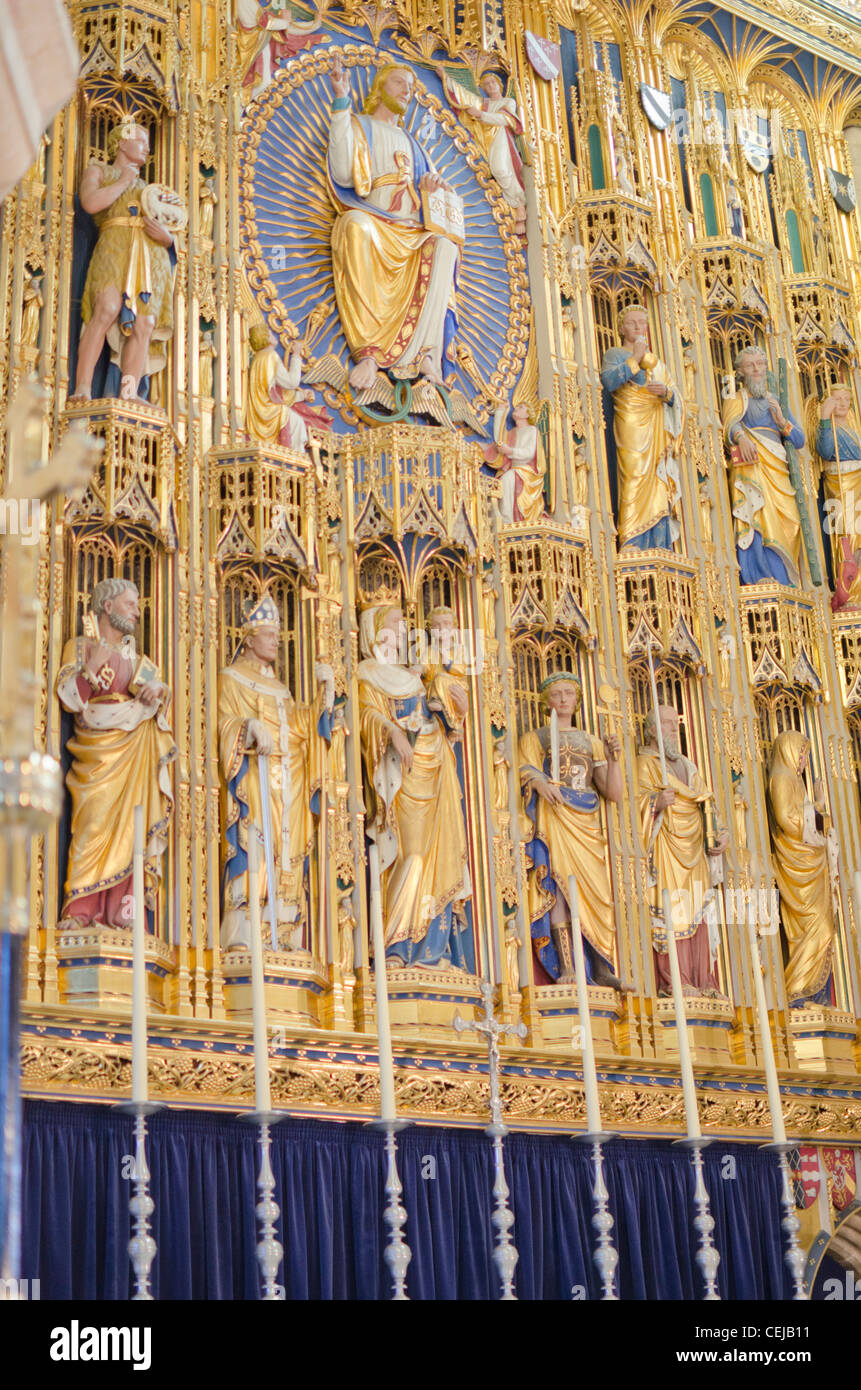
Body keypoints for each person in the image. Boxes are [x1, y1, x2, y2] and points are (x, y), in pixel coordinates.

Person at [327, 57, 460, 390]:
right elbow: (343, 172)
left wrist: (431, 189)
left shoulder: (415, 145)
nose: (407, 91)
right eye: (400, 82)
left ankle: (426, 355)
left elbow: (438, 199)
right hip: (373, 219)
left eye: (411, 87)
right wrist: (341, 103)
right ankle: (369, 352)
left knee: (443, 246)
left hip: (410, 230)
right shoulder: (361, 126)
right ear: (380, 88)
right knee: (354, 227)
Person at [357, 603, 472, 969]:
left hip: (436, 764)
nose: (403, 626)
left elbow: (449, 720)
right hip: (401, 773)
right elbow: (364, 715)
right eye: (394, 621)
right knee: (412, 855)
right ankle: (395, 945)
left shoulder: (417, 675)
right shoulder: (368, 674)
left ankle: (433, 951)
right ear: (376, 629)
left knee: (444, 855)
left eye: (403, 621)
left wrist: (460, 707)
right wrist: (391, 730)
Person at [56, 578, 175, 928]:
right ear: (107, 607)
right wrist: (93, 666)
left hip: (135, 754)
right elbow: (69, 699)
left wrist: (159, 694)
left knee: (132, 831)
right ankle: (79, 911)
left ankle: (123, 916)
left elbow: (157, 709)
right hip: (96, 755)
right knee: (92, 825)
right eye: (130, 604)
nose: (138, 611)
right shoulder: (80, 647)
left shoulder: (139, 661)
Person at [217, 594, 333, 950]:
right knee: (256, 847)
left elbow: (301, 727)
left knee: (288, 852)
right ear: (249, 638)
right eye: (269, 634)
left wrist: (325, 695)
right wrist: (246, 726)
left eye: (278, 634)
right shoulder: (231, 679)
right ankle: (244, 932)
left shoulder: (281, 688)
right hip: (256, 779)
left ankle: (283, 933)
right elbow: (220, 723)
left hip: (291, 786)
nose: (276, 640)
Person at [518, 671, 626, 989]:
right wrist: (538, 782)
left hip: (587, 824)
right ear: (545, 702)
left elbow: (614, 793)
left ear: (577, 699)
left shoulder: (590, 741)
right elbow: (525, 769)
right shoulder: (535, 738)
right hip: (556, 818)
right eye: (556, 694)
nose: (563, 699)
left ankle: (602, 965)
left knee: (595, 895)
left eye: (569, 693)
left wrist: (614, 760)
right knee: (559, 889)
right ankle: (567, 965)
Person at [74, 119, 177, 402]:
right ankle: (83, 386)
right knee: (106, 309)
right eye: (141, 140)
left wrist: (168, 238)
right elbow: (91, 203)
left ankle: (129, 393)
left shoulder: (152, 190)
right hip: (114, 247)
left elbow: (174, 223)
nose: (147, 147)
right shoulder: (99, 171)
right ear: (121, 142)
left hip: (148, 254)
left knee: (145, 323)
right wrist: (122, 181)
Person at [638, 705, 728, 996]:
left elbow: (707, 802)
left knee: (698, 911)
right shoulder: (646, 764)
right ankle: (677, 980)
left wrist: (721, 834)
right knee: (672, 911)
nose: (672, 728)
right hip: (666, 847)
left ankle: (704, 980)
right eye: (665, 723)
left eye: (675, 723)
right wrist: (654, 803)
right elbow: (632, 807)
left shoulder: (688, 766)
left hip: (695, 851)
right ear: (651, 729)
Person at [600, 303, 683, 550]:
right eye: (632, 323)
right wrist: (635, 357)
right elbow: (610, 381)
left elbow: (674, 395)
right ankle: (631, 539)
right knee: (633, 475)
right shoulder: (614, 354)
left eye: (642, 323)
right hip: (631, 425)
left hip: (656, 425)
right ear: (621, 328)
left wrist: (666, 393)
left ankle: (660, 544)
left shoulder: (657, 364)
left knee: (658, 478)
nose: (638, 327)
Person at [721, 345, 805, 585]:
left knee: (788, 520)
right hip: (752, 464)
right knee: (756, 513)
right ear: (740, 372)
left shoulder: (775, 400)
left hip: (777, 465)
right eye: (750, 365)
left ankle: (784, 577)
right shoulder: (737, 398)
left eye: (760, 364)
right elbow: (730, 424)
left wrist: (781, 421)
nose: (757, 369)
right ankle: (759, 573)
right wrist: (742, 437)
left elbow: (799, 440)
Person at [766, 730, 838, 1007]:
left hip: (812, 865)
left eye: (807, 753)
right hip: (798, 868)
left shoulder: (796, 781)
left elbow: (808, 818)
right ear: (788, 751)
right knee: (815, 926)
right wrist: (819, 810)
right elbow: (787, 819)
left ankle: (817, 995)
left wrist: (818, 810)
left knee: (825, 928)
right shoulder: (782, 779)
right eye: (802, 753)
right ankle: (799, 991)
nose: (805, 759)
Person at [436, 66, 526, 233]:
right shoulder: (484, 103)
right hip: (485, 141)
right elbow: (464, 95)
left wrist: (481, 115)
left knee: (501, 170)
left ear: (500, 85)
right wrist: (446, 78)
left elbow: (505, 119)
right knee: (493, 171)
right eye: (486, 84)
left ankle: (519, 205)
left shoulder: (508, 102)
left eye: (493, 82)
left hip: (501, 138)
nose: (491, 86)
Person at [811, 384, 861, 611]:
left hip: (857, 483)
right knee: (847, 533)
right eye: (837, 399)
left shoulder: (853, 431)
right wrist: (823, 417)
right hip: (841, 485)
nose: (842, 403)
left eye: (846, 399)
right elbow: (825, 450)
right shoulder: (828, 429)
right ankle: (849, 591)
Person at [245, 325, 332, 453]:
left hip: (259, 409)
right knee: (297, 423)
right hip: (268, 409)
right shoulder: (271, 356)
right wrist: (296, 355)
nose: (272, 335)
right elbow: (291, 382)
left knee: (295, 420)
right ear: (265, 337)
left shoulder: (258, 359)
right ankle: (296, 458)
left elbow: (273, 393)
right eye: (269, 333)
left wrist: (301, 396)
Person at [484, 402, 545, 525]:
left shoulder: (532, 431)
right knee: (501, 480)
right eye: (516, 407)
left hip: (527, 472)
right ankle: (503, 520)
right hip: (513, 469)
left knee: (507, 478)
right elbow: (499, 441)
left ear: (528, 414)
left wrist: (510, 451)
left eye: (521, 407)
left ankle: (507, 521)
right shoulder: (512, 432)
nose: (516, 408)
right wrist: (500, 412)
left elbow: (529, 453)